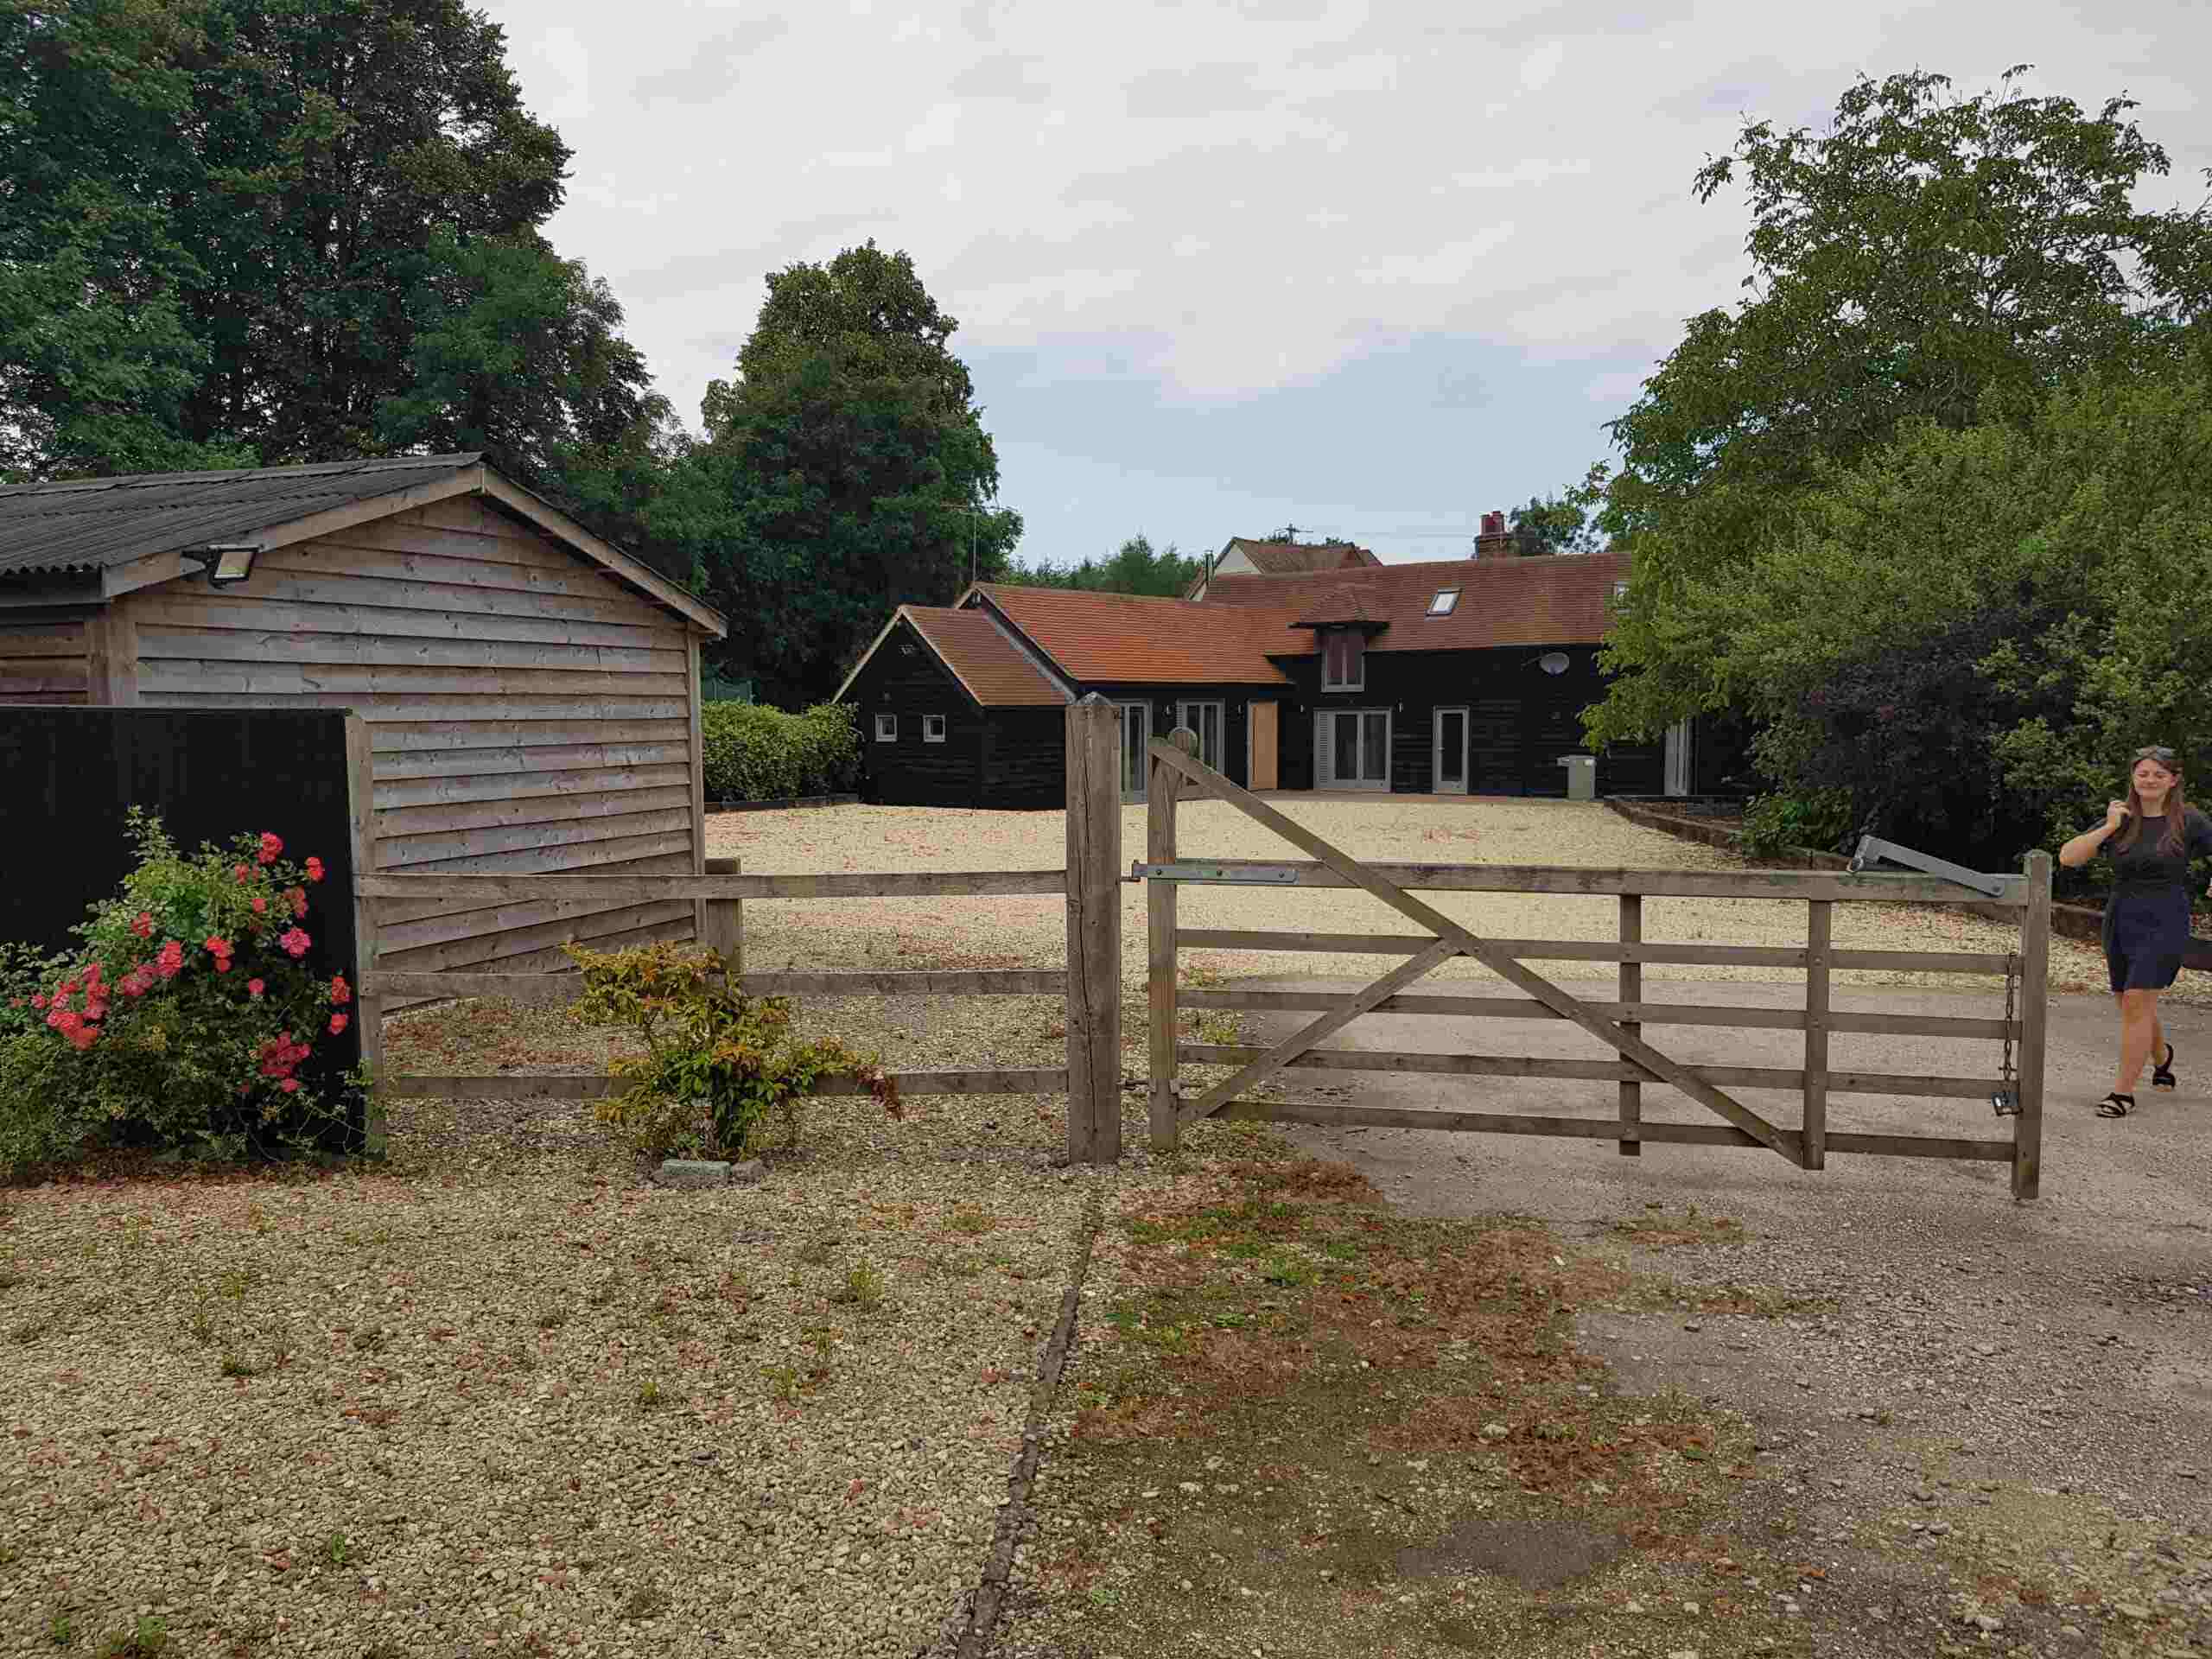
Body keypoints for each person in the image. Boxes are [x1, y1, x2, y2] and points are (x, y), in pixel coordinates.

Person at [2057, 745, 2212, 1118]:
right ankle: (2162, 1055)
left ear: (2173, 780)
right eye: (2143, 773)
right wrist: (2109, 827)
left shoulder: (2190, 821)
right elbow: (2068, 857)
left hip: (2166, 918)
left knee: (2137, 1001)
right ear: (2133, 778)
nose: (2150, 780)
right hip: (2122, 916)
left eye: (2159, 774)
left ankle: (2121, 1093)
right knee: (2130, 1002)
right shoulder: (2121, 818)